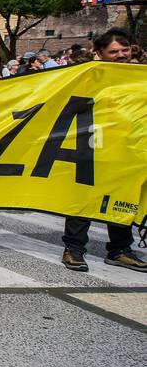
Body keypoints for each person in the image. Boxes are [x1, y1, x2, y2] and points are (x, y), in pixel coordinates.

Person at [61, 29, 147, 273]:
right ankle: (74, 248)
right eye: (114, 51)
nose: (121, 55)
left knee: (123, 197)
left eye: (125, 50)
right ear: (99, 53)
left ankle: (120, 249)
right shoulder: (89, 75)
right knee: (83, 195)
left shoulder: (140, 75)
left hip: (128, 145)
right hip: (92, 142)